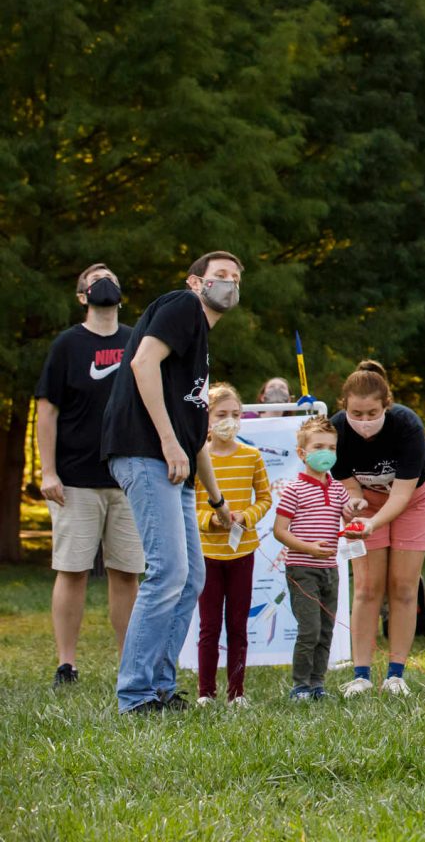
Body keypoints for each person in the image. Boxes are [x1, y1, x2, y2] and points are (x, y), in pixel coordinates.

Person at [101, 251, 243, 714]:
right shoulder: (182, 307)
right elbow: (142, 364)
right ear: (195, 282)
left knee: (190, 576)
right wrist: (166, 440)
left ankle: (161, 686)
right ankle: (136, 692)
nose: (229, 283)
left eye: (236, 278)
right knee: (167, 572)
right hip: (145, 453)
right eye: (220, 276)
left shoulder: (198, 345)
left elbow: (195, 439)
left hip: (172, 465)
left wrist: (219, 501)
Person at [34, 263, 141, 688]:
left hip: (130, 475)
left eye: (111, 277)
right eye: (94, 279)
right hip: (74, 478)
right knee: (72, 569)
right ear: (83, 296)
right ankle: (66, 665)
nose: (104, 283)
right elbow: (47, 409)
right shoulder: (67, 345)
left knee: (127, 573)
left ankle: (128, 662)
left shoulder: (137, 341)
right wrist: (47, 471)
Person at [331, 361, 425, 697]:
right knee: (367, 587)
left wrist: (372, 523)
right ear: (344, 408)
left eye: (372, 413)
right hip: (369, 501)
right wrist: (353, 507)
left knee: (403, 586)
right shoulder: (335, 431)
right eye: (356, 413)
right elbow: (349, 487)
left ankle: (396, 675)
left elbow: (403, 496)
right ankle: (361, 675)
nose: (364, 421)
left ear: (386, 406)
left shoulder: (407, 426)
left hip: (416, 498)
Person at [193, 384, 272, 706]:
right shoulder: (198, 457)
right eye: (221, 415)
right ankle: (205, 693)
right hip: (207, 553)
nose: (229, 421)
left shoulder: (251, 456)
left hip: (243, 552)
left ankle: (236, 692)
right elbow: (189, 504)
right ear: (207, 419)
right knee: (209, 626)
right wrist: (211, 520)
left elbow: (265, 498)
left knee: (238, 625)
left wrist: (246, 516)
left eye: (235, 415)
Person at [273, 416, 350, 700]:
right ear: (302, 453)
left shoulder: (339, 489)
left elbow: (348, 517)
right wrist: (308, 548)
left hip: (330, 569)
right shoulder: (294, 490)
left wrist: (356, 518)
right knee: (310, 629)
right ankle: (300, 686)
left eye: (331, 448)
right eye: (319, 446)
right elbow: (279, 531)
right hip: (302, 569)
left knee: (326, 630)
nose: (326, 453)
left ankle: (318, 684)